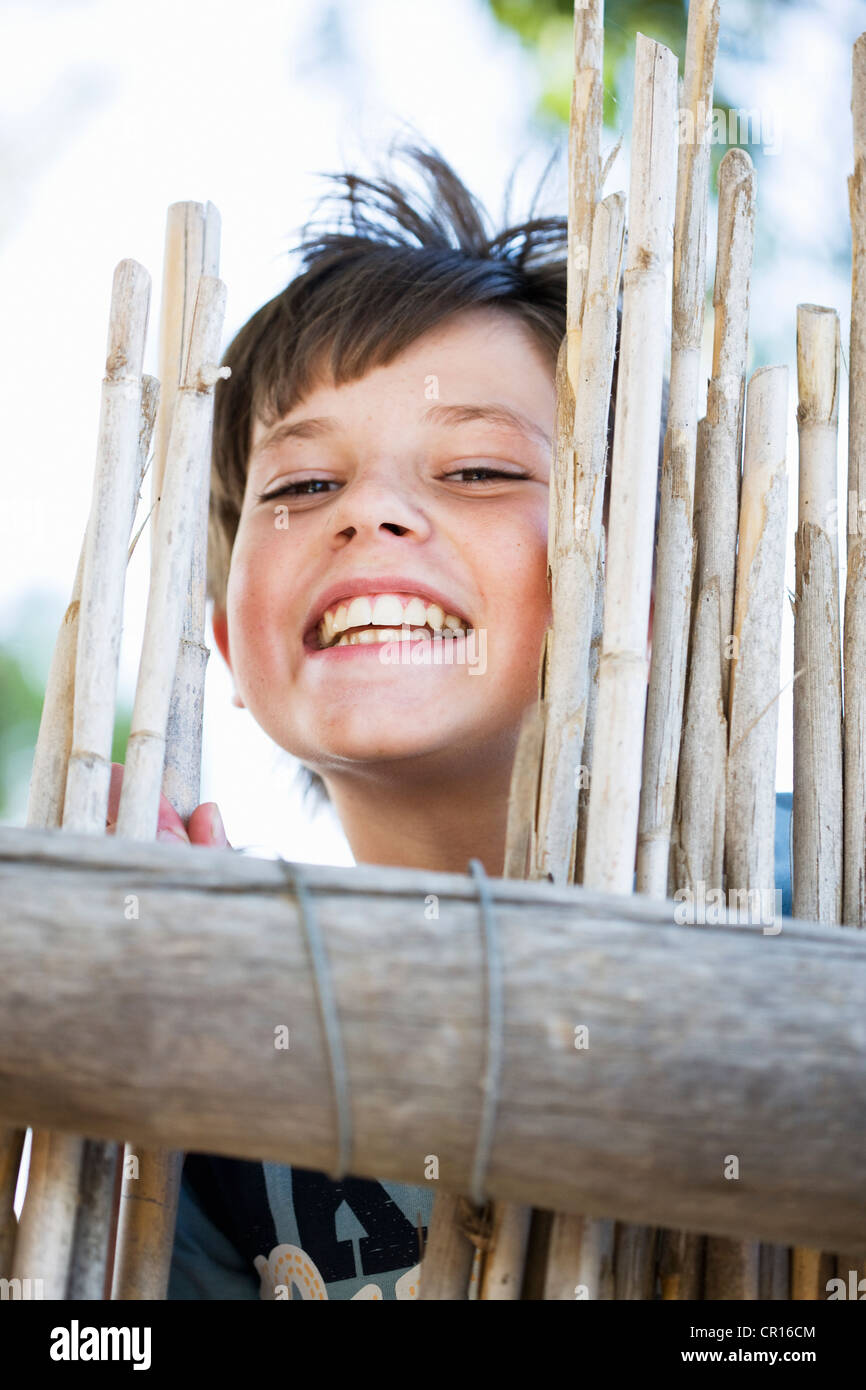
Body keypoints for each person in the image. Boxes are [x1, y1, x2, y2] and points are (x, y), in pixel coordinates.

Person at [118, 141, 791, 1299]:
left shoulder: (804, 891)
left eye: (476, 470)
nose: (370, 511)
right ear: (228, 646)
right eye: (300, 485)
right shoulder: (223, 1081)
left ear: (642, 568)